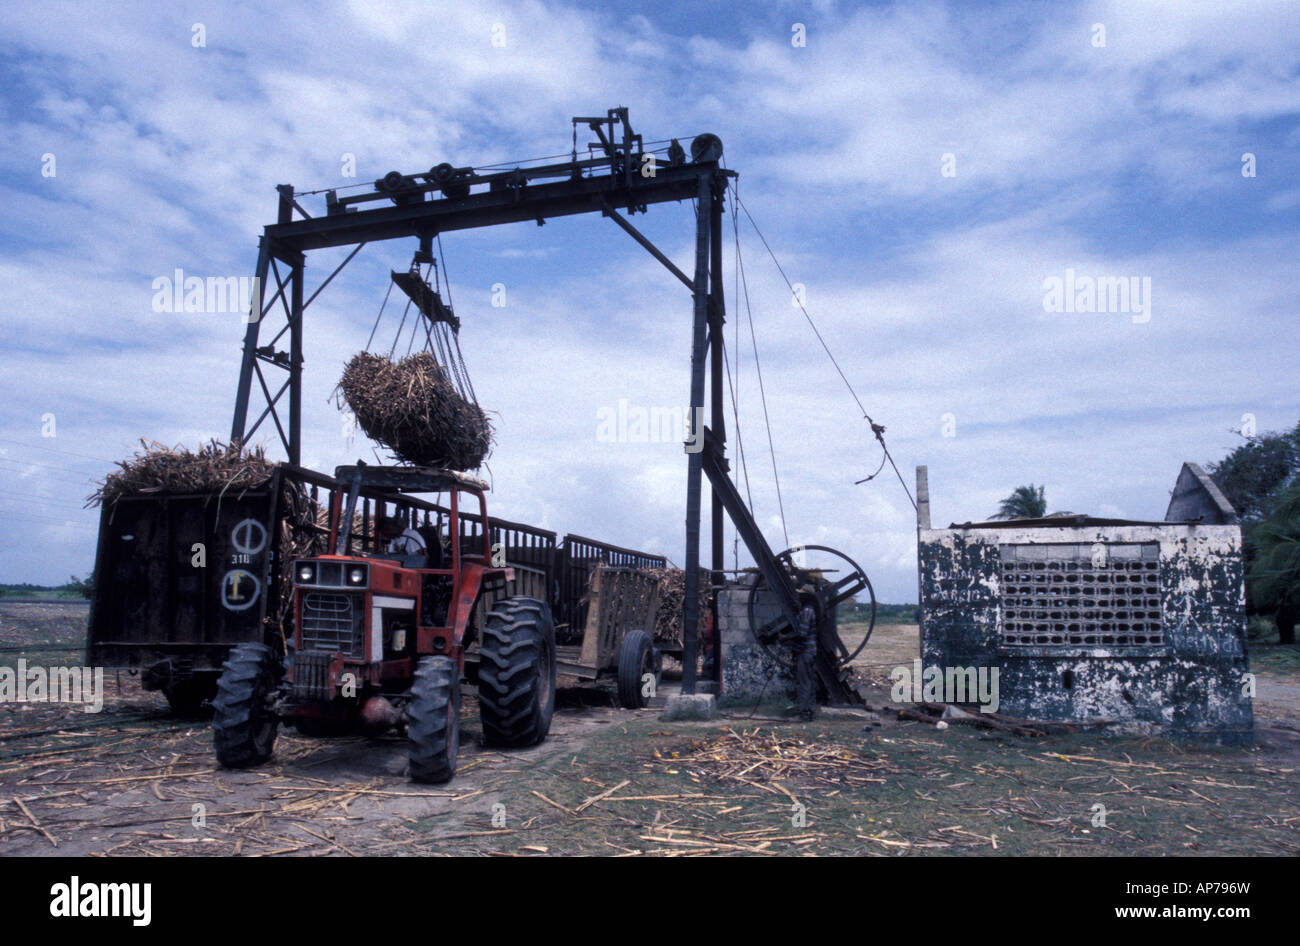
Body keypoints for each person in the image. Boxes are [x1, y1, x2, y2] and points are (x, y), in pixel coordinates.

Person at [792, 587, 818, 721]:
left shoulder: (807, 611)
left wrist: (785, 637)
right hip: (811, 651)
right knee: (810, 682)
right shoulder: (808, 610)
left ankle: (803, 713)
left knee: (804, 682)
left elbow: (802, 635)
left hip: (806, 651)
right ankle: (810, 711)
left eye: (801, 595)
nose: (798, 597)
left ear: (807, 597)